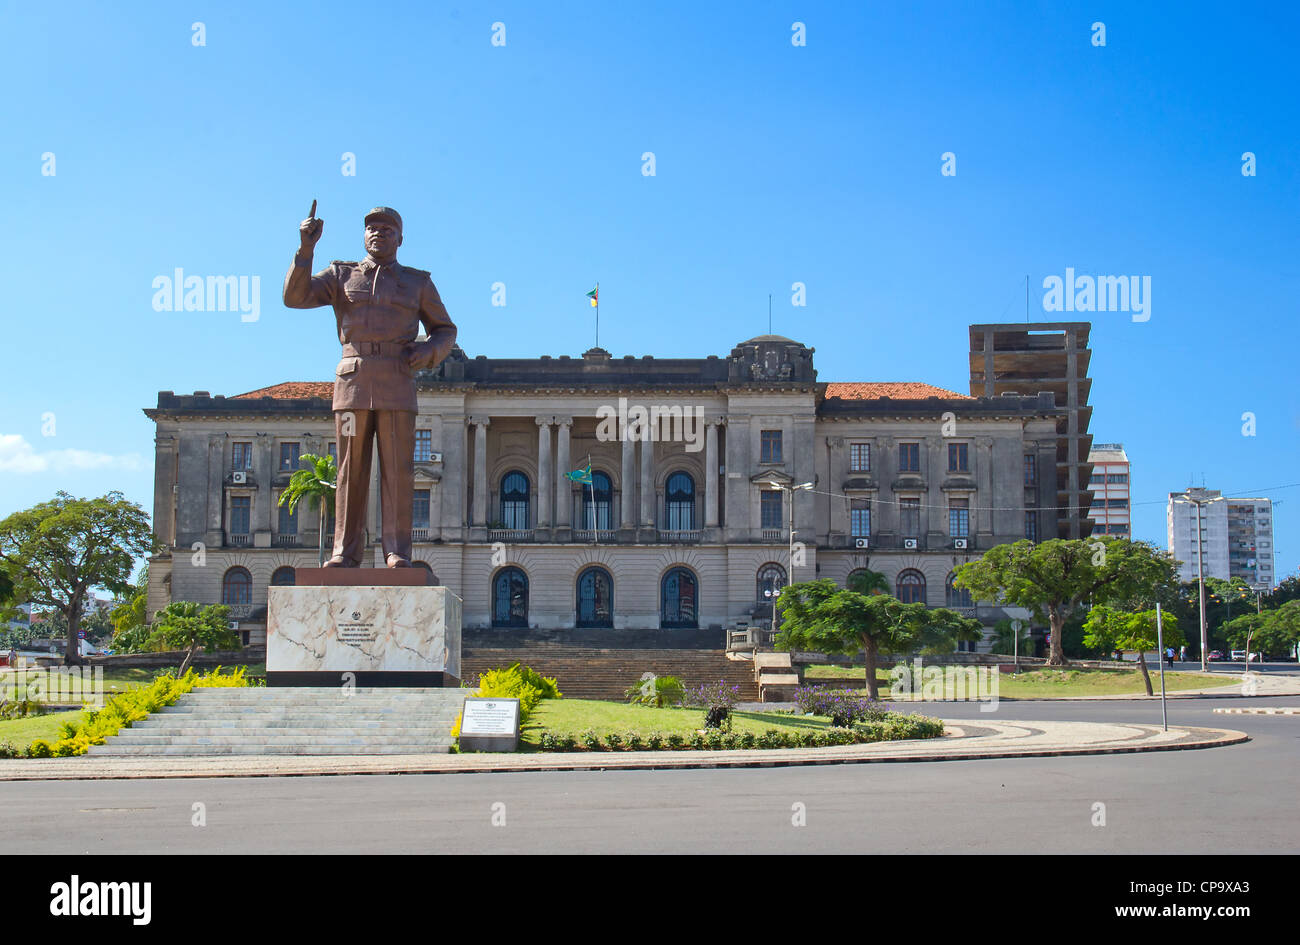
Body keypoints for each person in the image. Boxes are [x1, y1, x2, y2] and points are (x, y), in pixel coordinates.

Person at [284, 206, 457, 568]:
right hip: (353, 382)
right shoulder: (340, 275)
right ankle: (344, 554)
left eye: (387, 228)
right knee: (350, 469)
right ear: (364, 236)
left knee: (398, 471)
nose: (379, 233)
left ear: (400, 239)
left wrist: (428, 352)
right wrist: (305, 249)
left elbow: (445, 329)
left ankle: (396, 552)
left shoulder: (417, 282)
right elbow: (295, 298)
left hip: (397, 379)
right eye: (372, 228)